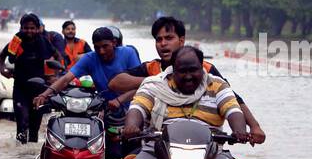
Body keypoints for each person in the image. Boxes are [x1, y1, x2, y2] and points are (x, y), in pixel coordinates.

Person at [107, 16, 267, 144]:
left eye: (168, 38)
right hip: (160, 141)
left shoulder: (206, 70)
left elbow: (232, 100)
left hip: (203, 141)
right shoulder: (152, 71)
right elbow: (115, 83)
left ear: (181, 41)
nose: (163, 44)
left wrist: (254, 126)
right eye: (159, 39)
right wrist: (158, 82)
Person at [121, 46, 249, 159]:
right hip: (157, 150)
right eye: (182, 71)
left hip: (212, 152)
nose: (188, 76)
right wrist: (131, 126)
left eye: (193, 70)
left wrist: (240, 130)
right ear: (173, 70)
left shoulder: (217, 86)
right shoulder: (154, 86)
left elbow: (233, 110)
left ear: (202, 68)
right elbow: (137, 108)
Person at [33, 26, 141, 112]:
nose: (101, 51)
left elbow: (141, 85)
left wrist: (119, 100)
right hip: (106, 108)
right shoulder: (90, 58)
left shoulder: (128, 53)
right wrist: (44, 95)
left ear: (114, 43)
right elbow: (66, 79)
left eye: (105, 46)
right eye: (97, 47)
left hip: (132, 107)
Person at [0, 14, 67, 143]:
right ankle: (18, 157)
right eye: (26, 28)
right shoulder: (16, 41)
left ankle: (29, 157)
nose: (29, 31)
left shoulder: (44, 41)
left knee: (34, 128)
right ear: (21, 28)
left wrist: (54, 76)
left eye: (32, 28)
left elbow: (58, 57)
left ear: (38, 28)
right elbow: (1, 57)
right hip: (20, 87)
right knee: (22, 123)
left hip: (39, 89)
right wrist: (2, 70)